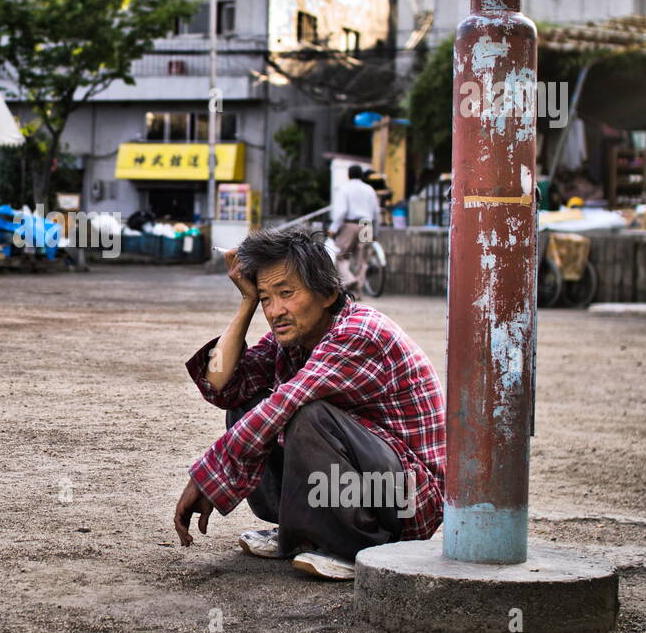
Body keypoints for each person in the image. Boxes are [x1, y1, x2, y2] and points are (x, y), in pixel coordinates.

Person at [172, 227, 446, 580]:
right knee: (247, 400)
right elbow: (221, 384)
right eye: (267, 298)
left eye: (286, 293)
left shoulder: (358, 334)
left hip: (407, 500)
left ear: (328, 293)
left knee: (305, 413)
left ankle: (353, 545)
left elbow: (284, 405)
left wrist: (206, 479)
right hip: (366, 479)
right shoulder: (293, 338)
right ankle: (299, 533)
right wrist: (247, 302)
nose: (276, 311)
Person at [327, 164, 380, 297]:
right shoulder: (369, 189)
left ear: (348, 175)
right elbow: (376, 213)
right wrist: (377, 232)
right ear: (362, 175)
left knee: (341, 255)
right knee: (363, 259)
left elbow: (342, 211)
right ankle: (358, 291)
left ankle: (350, 281)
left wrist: (333, 229)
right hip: (366, 224)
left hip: (350, 224)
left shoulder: (345, 189)